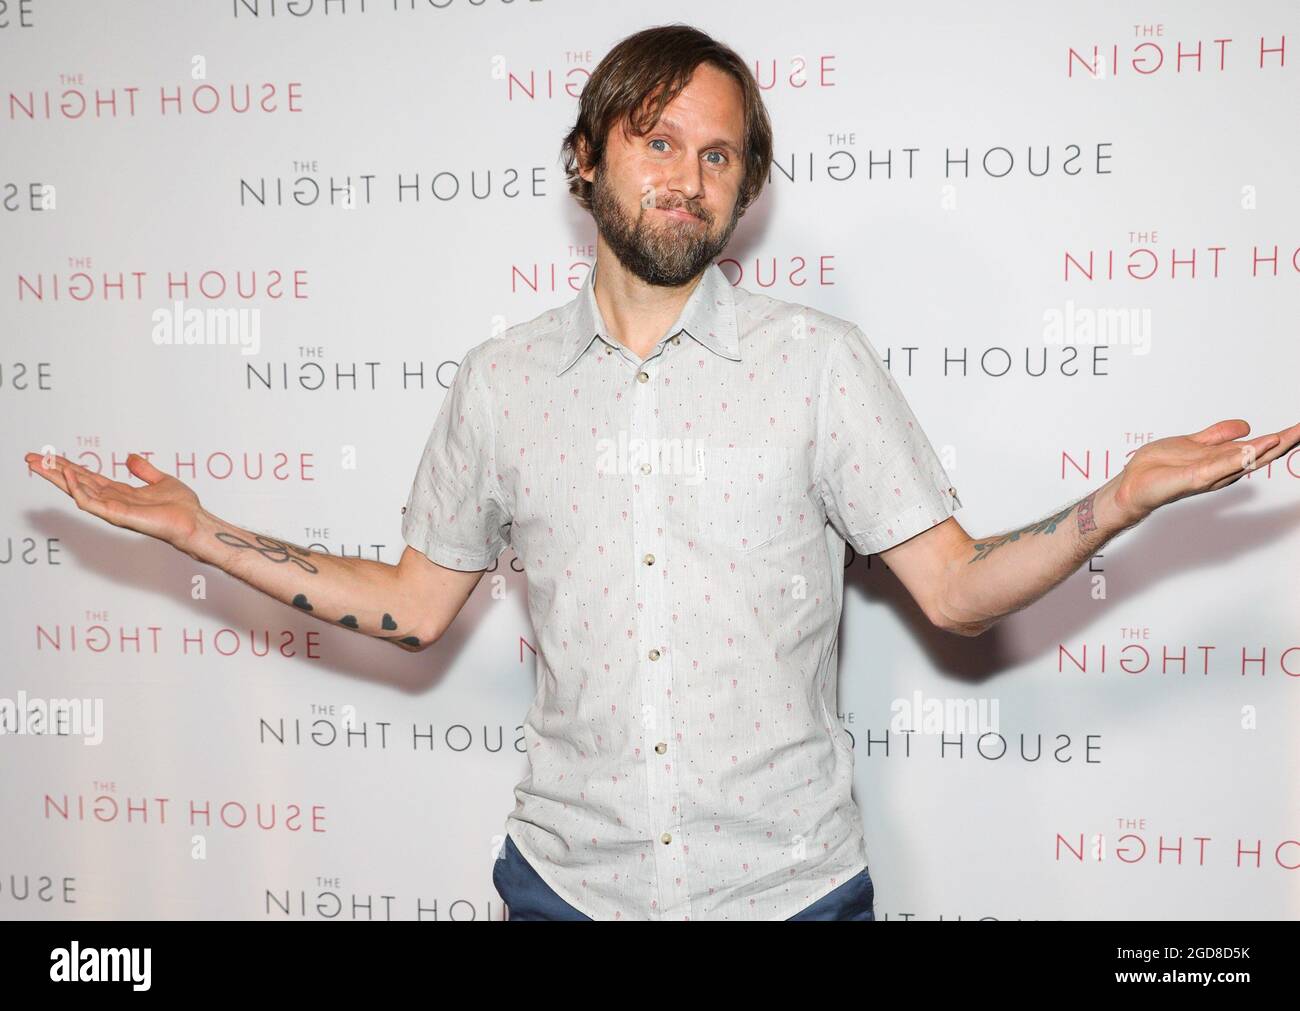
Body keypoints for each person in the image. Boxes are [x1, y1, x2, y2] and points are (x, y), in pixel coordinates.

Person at [23, 23, 1297, 922]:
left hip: (793, 893)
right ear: (587, 158)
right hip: (565, 891)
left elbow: (957, 594)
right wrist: (200, 533)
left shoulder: (817, 366)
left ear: (746, 189)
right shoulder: (501, 383)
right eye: (655, 139)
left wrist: (1119, 499)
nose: (686, 176)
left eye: (719, 154)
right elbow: (413, 610)